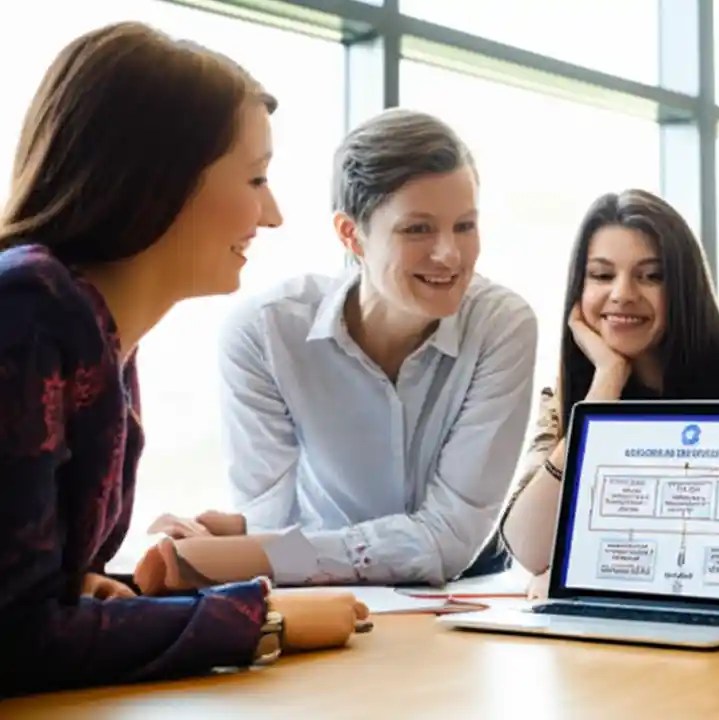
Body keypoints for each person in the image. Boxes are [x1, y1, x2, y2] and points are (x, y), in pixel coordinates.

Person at [0, 22, 367, 696]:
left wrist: (89, 594)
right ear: (159, 179)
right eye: (256, 177)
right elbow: (16, 639)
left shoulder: (92, 331)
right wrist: (263, 620)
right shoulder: (25, 314)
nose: (275, 213)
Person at [146, 108, 538, 589]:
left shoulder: (501, 326)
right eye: (417, 229)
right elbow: (269, 529)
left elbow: (451, 540)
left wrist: (248, 549)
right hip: (326, 602)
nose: (450, 255)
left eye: (465, 226)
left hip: (461, 599)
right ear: (350, 234)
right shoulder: (265, 335)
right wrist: (232, 541)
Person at [500, 189, 719, 580]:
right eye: (602, 275)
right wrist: (604, 390)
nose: (622, 294)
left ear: (684, 289)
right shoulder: (570, 397)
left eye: (651, 276)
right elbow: (527, 548)